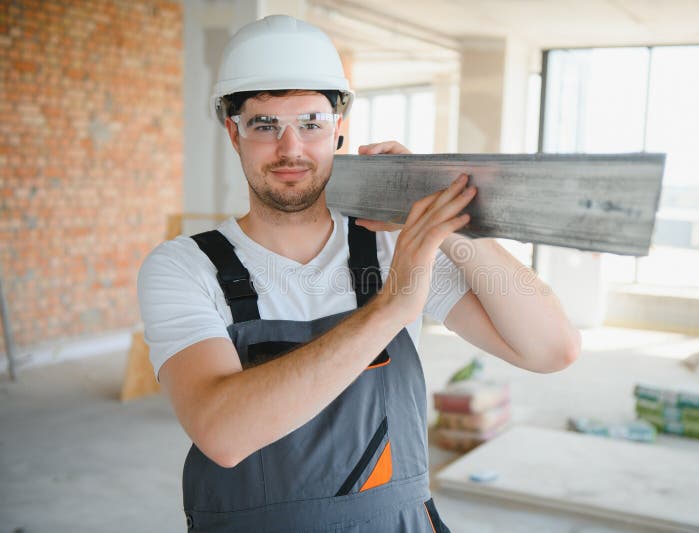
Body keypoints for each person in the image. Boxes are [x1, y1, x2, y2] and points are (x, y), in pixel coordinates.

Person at [137, 14, 581, 533]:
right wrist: (393, 305)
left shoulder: (392, 247)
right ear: (233, 133)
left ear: (339, 130)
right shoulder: (184, 268)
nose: (290, 149)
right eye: (265, 125)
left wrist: (441, 212)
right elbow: (223, 433)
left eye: (310, 123)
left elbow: (553, 349)